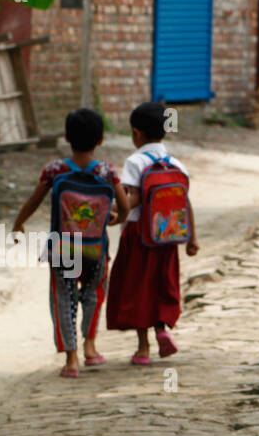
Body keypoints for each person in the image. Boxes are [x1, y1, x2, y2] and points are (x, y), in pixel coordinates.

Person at [12, 108, 129, 378]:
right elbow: (123, 207)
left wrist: (18, 223)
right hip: (95, 248)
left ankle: (71, 360)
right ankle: (90, 347)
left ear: (66, 137)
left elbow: (33, 201)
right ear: (101, 140)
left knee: (64, 298)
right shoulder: (107, 171)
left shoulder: (54, 170)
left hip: (64, 248)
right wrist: (114, 218)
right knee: (92, 294)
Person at [106, 101, 200, 365]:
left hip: (138, 235)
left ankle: (143, 348)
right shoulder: (176, 164)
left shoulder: (135, 161)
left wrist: (115, 213)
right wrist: (192, 238)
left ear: (136, 133)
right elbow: (185, 202)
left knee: (138, 286)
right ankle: (161, 330)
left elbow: (132, 198)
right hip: (167, 236)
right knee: (161, 284)